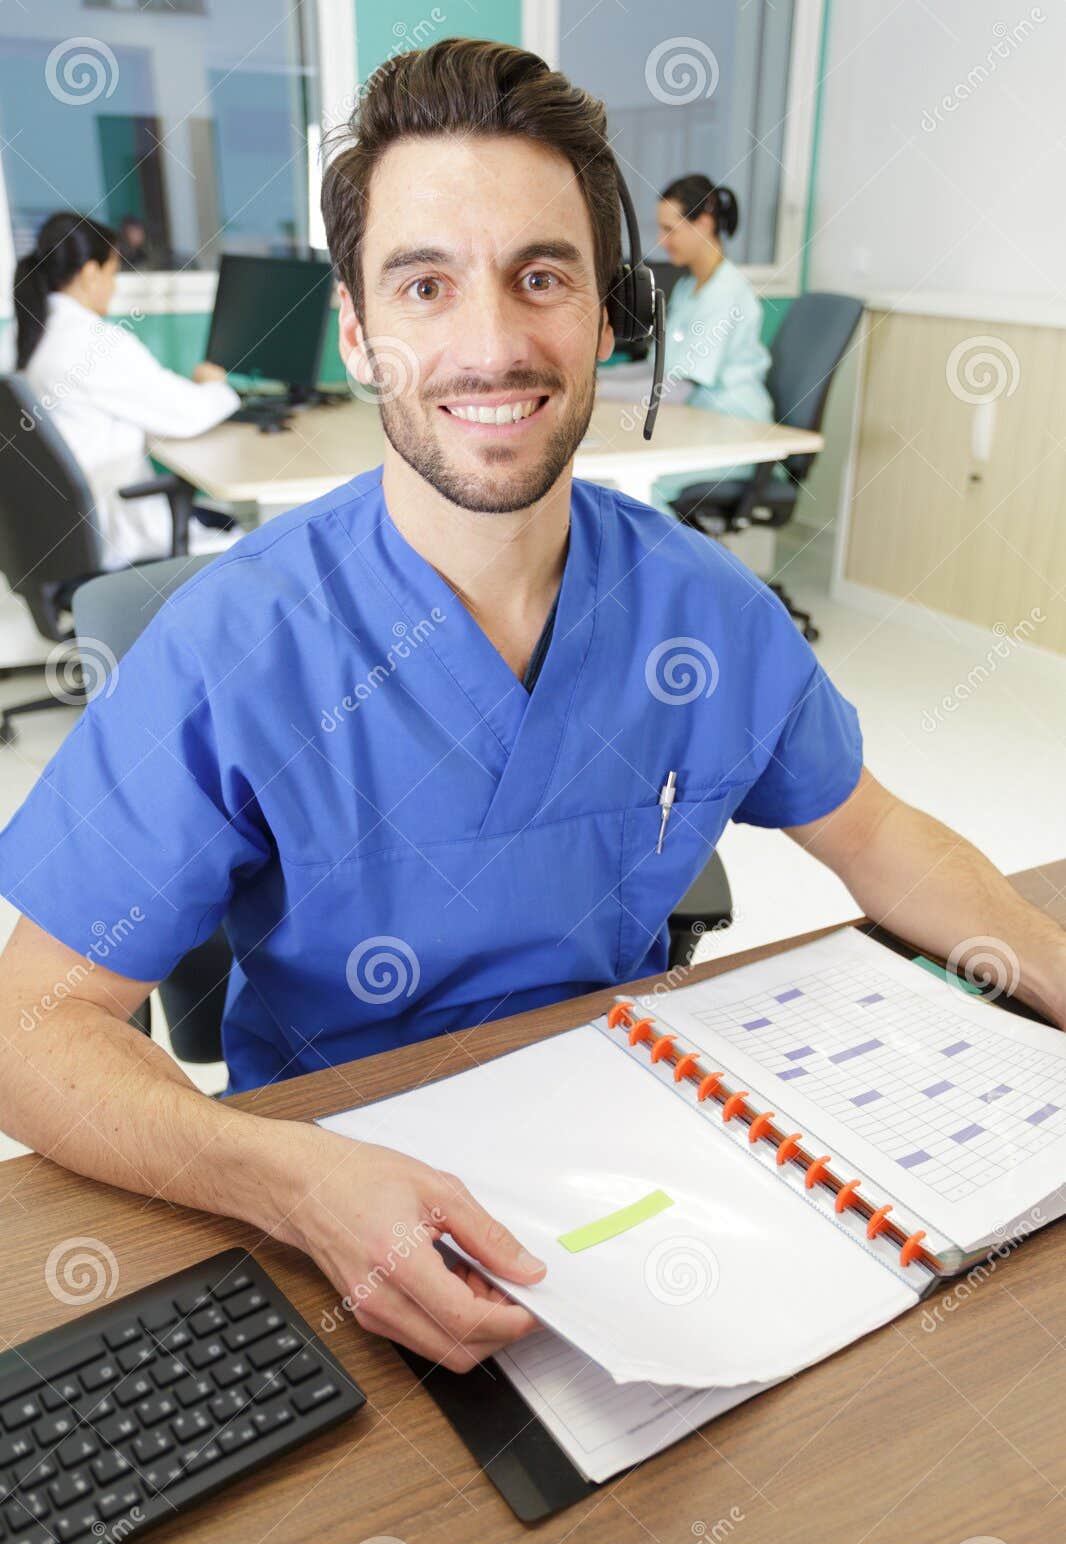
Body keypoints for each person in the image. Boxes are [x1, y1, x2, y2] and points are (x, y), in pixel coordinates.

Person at [0, 41, 1062, 1376]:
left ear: (607, 313)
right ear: (354, 326)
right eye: (425, 283)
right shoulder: (239, 642)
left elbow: (882, 836)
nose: (492, 343)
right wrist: (289, 1183)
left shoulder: (698, 613)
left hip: (637, 1171)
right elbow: (29, 1028)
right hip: (330, 1209)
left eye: (540, 276)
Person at [14, 212, 239, 568]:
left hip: (68, 536)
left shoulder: (36, 336)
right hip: (116, 533)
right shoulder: (92, 343)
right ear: (90, 273)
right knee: (250, 544)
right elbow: (186, 416)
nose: (115, 286)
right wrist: (215, 386)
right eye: (112, 273)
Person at [597, 173, 772, 513]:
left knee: (641, 486)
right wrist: (594, 380)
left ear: (704, 223)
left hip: (735, 432)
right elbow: (656, 368)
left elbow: (680, 388)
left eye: (670, 229)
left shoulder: (727, 293)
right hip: (698, 425)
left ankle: (677, 568)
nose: (662, 241)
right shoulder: (687, 288)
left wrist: (595, 391)